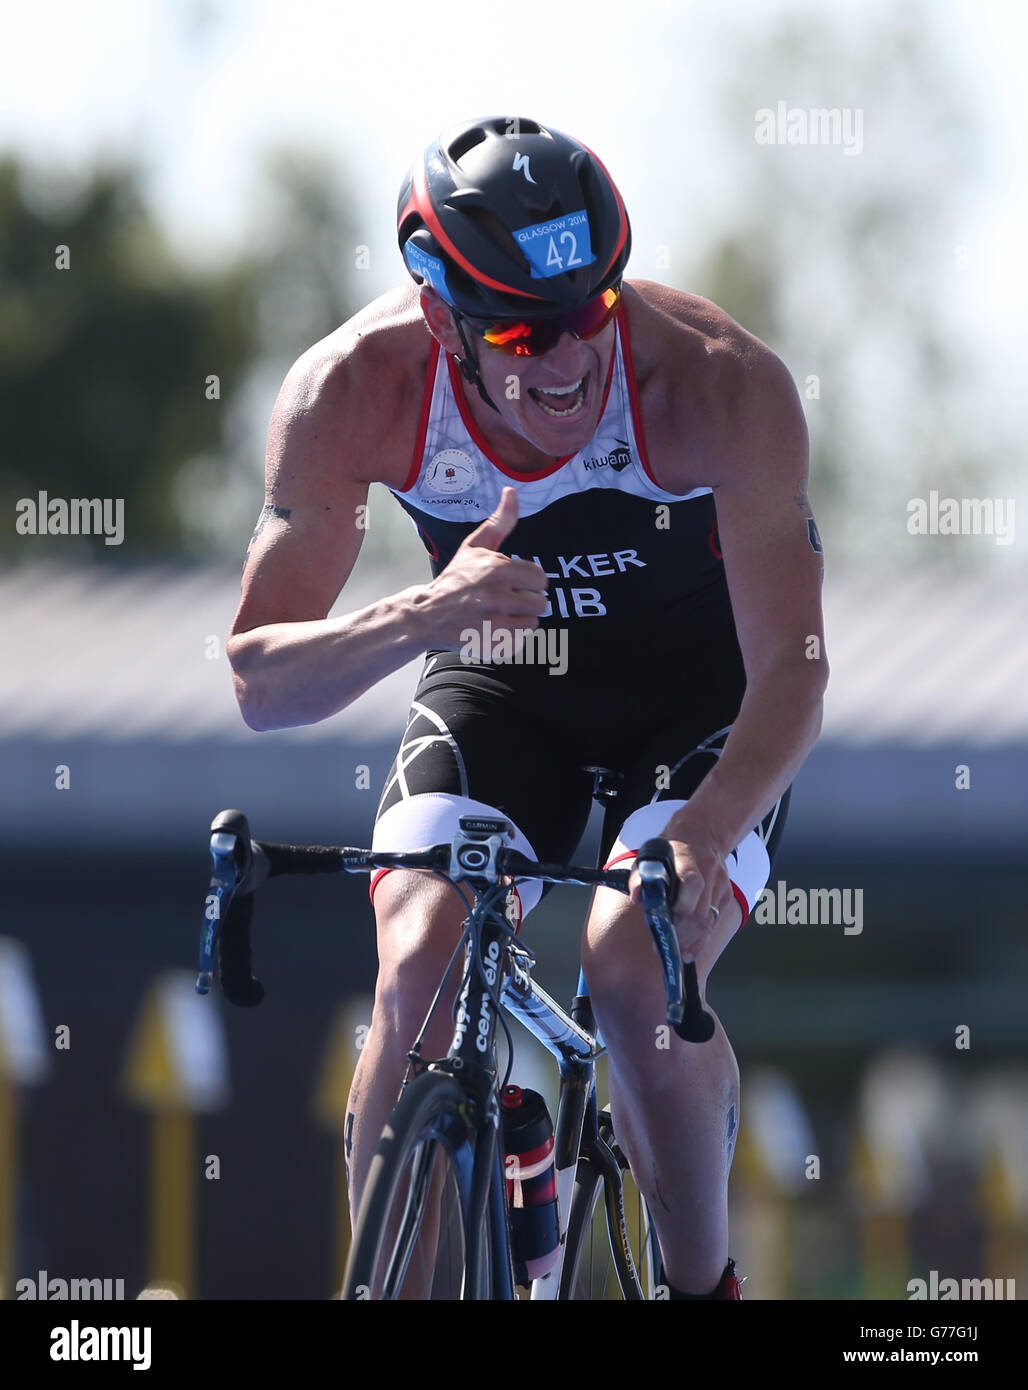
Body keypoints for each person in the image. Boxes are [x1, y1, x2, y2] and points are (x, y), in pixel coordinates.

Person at [228, 116, 828, 1299]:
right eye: (518, 325)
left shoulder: (716, 382)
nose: (567, 354)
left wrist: (706, 830)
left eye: (592, 307)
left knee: (631, 969)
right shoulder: (353, 390)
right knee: (415, 969)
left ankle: (701, 1285)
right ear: (440, 313)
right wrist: (417, 618)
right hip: (496, 684)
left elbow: (795, 671)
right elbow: (257, 679)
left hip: (698, 707)